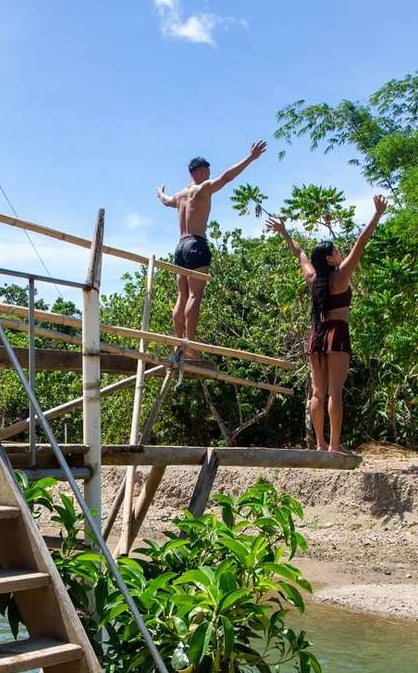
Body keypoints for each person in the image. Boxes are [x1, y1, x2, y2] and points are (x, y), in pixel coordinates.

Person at [266, 194, 387, 451]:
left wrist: (284, 232)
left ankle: (320, 445)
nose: (339, 251)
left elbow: (298, 252)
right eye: (335, 250)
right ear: (331, 259)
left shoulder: (313, 278)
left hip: (318, 335)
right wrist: (376, 215)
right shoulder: (340, 277)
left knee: (317, 392)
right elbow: (361, 243)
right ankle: (333, 447)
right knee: (335, 392)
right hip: (337, 335)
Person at [157, 141, 267, 358]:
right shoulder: (202, 188)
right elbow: (227, 177)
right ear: (197, 172)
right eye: (206, 171)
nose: (209, 175)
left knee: (182, 295)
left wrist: (159, 192)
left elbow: (165, 200)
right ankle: (190, 346)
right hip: (196, 244)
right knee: (194, 296)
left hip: (179, 247)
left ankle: (178, 344)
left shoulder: (179, 196)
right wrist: (250, 158)